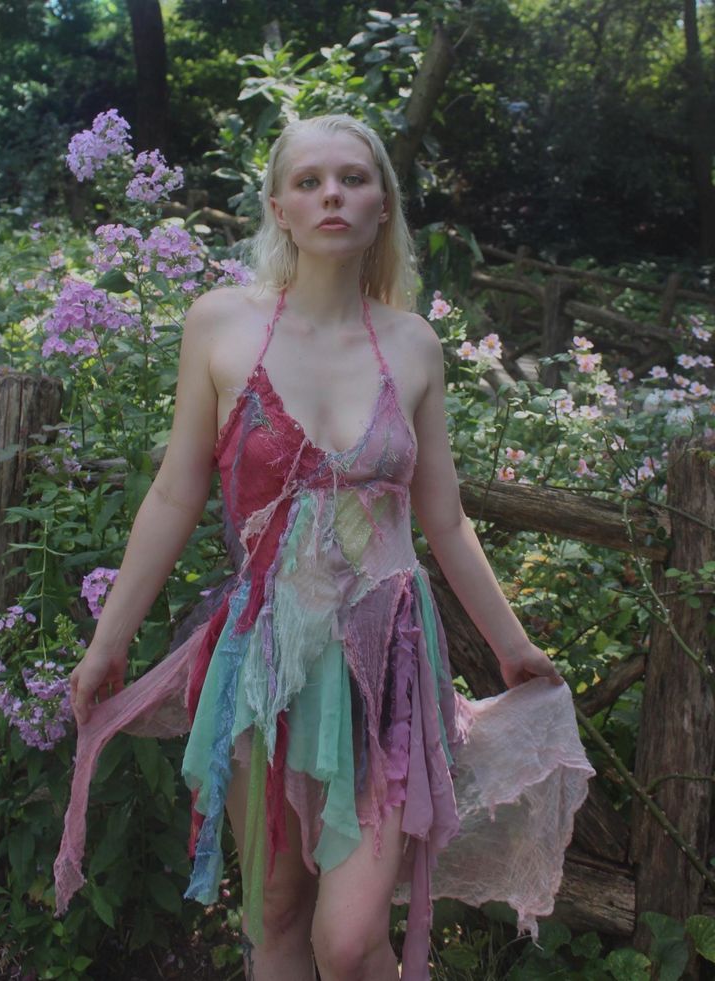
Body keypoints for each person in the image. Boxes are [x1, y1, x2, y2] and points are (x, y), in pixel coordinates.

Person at [56, 114, 594, 981]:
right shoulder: (220, 325)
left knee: (347, 943)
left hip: (386, 668)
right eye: (309, 181)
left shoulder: (412, 344)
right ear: (278, 207)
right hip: (266, 660)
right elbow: (173, 491)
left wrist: (512, 644)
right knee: (274, 912)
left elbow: (445, 521)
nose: (331, 193)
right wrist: (107, 643)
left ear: (383, 204)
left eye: (352, 177)